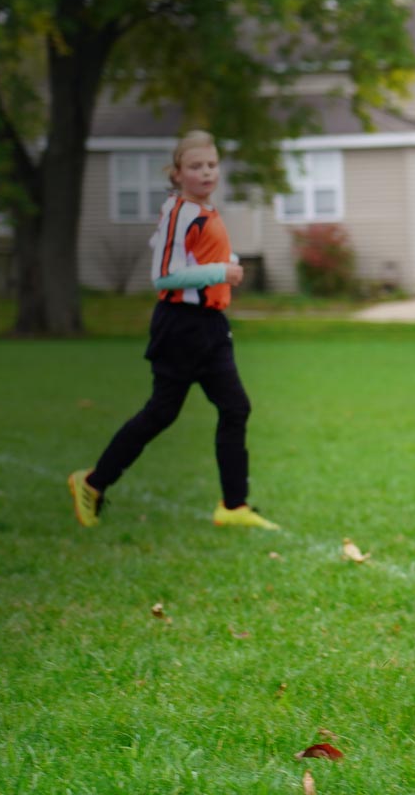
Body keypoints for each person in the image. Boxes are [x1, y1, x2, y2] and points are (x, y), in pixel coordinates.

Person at [68, 130, 279, 531]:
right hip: (180, 328)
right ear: (178, 173)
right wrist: (220, 271)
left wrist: (225, 262)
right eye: (196, 166)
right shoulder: (178, 212)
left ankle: (233, 507)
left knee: (235, 408)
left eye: (212, 165)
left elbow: (197, 257)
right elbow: (163, 276)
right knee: (161, 413)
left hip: (211, 327)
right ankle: (93, 483)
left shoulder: (205, 211)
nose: (206, 173)